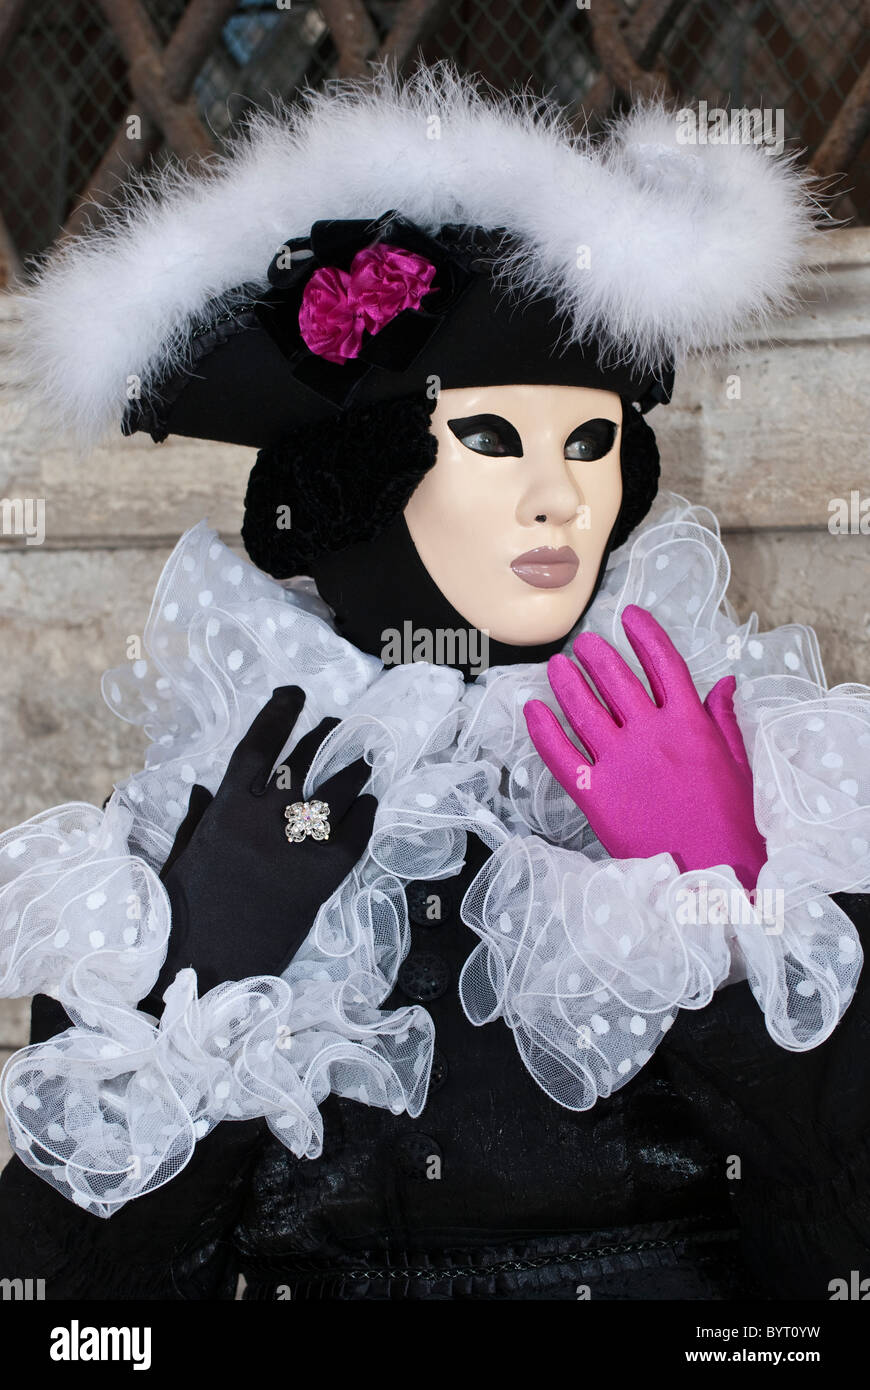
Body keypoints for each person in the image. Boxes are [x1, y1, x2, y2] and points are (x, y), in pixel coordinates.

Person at [0, 63, 868, 1301]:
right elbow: (80, 1319)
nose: (560, 496)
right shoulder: (221, 796)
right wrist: (190, 983)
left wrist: (734, 912)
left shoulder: (764, 768)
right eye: (494, 438)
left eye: (591, 441)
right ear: (359, 473)